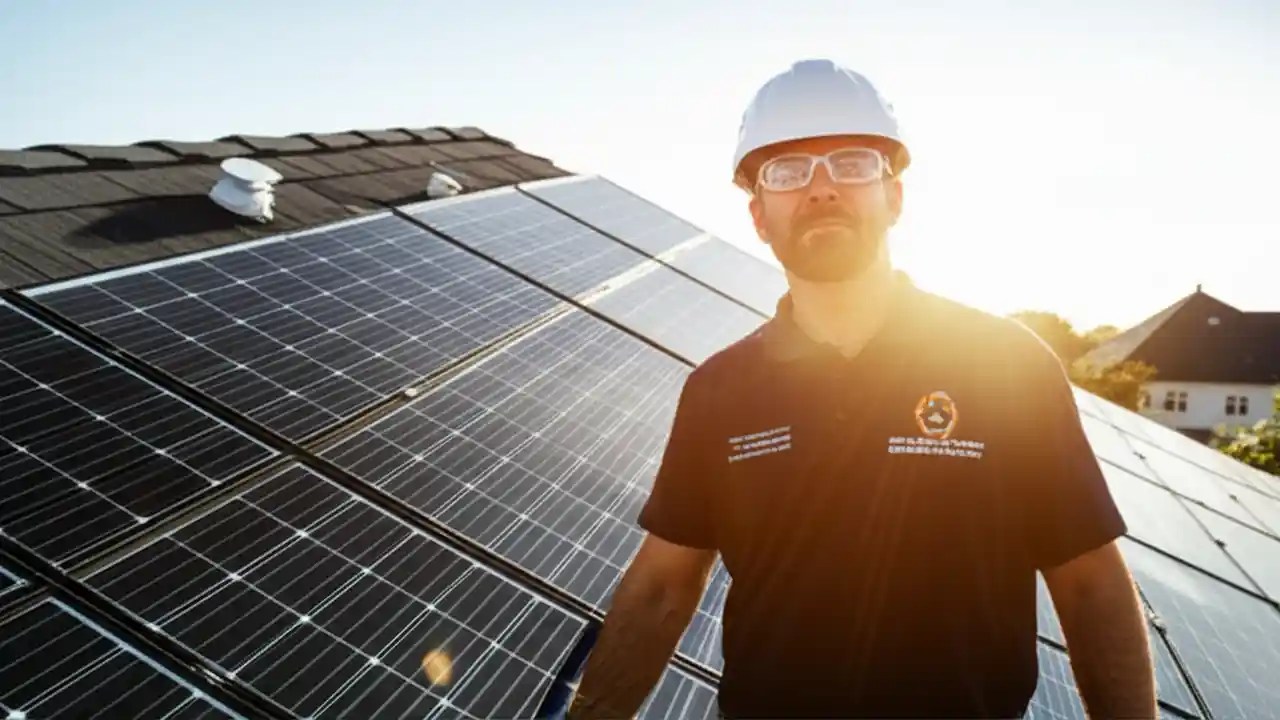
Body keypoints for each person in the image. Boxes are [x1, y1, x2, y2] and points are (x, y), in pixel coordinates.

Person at [566, 59, 1157, 719]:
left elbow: (1090, 585)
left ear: (893, 197)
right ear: (759, 215)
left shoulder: (1005, 364)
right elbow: (660, 590)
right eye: (786, 172)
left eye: (850, 165)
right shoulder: (719, 391)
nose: (821, 191)